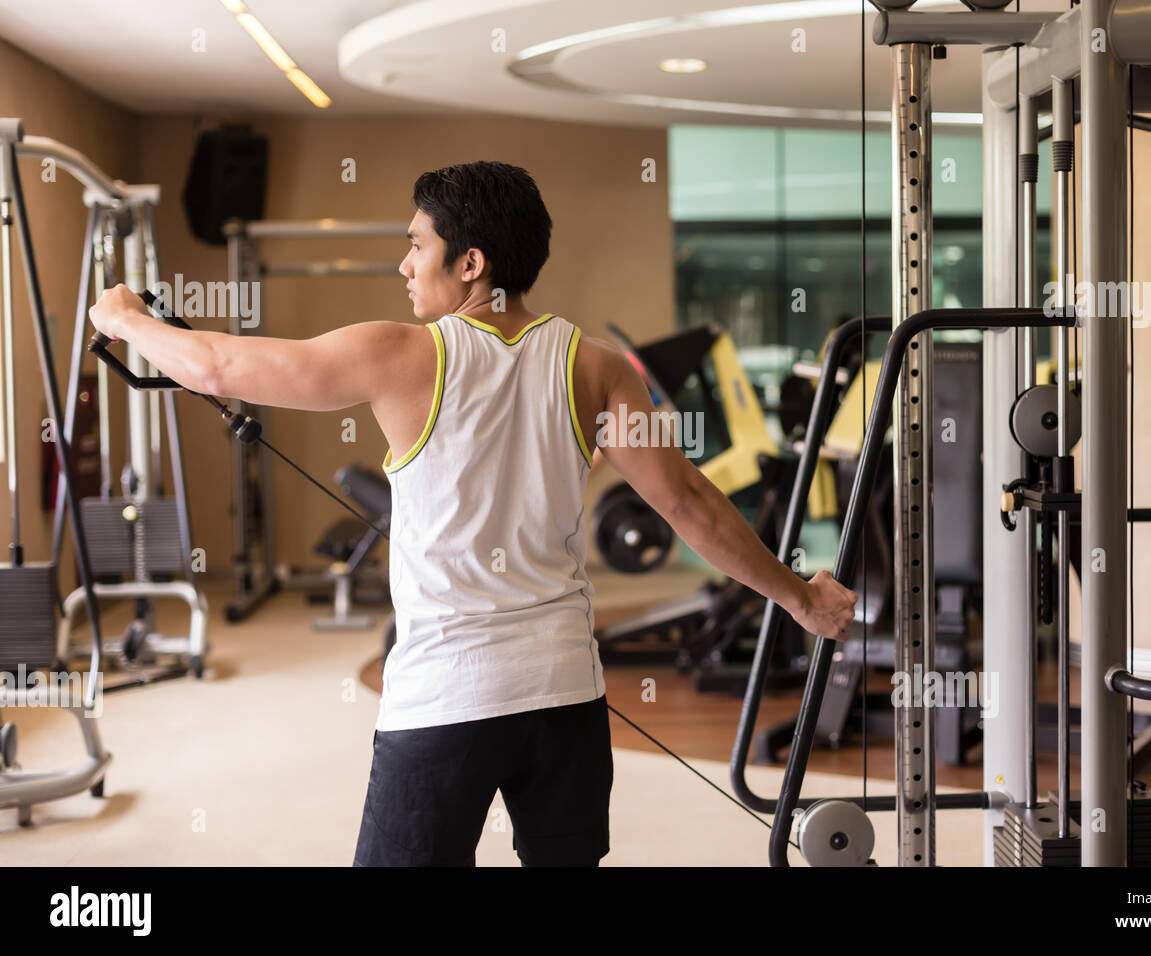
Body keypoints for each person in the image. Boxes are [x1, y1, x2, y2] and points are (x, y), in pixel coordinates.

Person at [88, 160, 858, 867]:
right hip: (564, 697)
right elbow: (688, 504)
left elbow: (220, 365)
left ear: (470, 263)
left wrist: (128, 319)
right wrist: (799, 598)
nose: (404, 264)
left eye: (415, 246)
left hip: (445, 701)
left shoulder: (402, 353)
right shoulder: (596, 368)